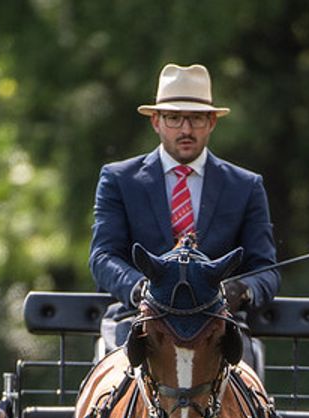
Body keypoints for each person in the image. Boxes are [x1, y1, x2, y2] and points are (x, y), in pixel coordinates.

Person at [89, 63, 280, 354]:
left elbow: (266, 270)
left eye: (196, 119)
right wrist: (141, 289)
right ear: (156, 121)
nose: (186, 129)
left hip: (218, 328)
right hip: (137, 321)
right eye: (175, 118)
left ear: (212, 122)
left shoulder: (246, 186)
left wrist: (241, 290)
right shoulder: (119, 180)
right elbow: (103, 256)